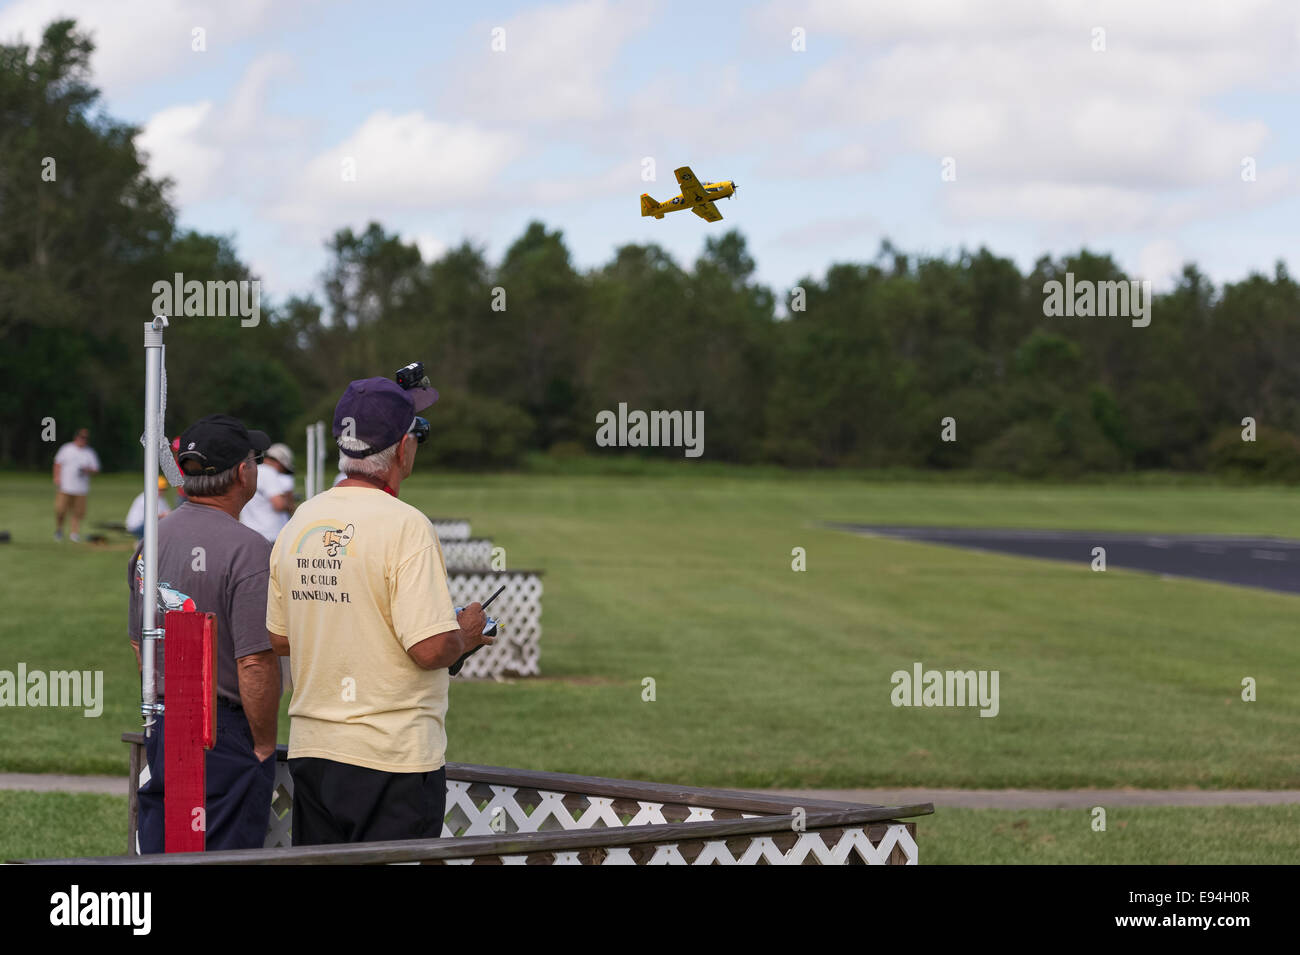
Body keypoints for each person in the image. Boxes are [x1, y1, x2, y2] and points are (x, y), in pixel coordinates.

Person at [266, 377, 491, 846]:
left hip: (314, 750)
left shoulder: (301, 519)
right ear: (404, 447)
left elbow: (281, 638)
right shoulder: (407, 526)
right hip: (391, 758)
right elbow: (430, 648)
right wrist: (466, 634)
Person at [127, 414, 281, 853]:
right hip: (224, 729)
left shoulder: (152, 540)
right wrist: (264, 743)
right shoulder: (250, 549)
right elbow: (254, 661)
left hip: (166, 717)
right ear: (242, 473)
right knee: (222, 854)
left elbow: (142, 643)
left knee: (169, 849)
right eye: (255, 459)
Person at [240, 442, 296, 543]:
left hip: (250, 532)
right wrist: (290, 504)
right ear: (279, 462)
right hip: (271, 536)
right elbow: (278, 504)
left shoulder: (249, 471)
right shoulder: (269, 472)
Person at [53, 427, 101, 542]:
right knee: (60, 510)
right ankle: (59, 530)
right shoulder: (66, 448)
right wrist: (57, 477)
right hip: (65, 487)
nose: (84, 440)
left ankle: (74, 533)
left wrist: (87, 470)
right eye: (82, 437)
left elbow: (96, 469)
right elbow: (57, 463)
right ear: (76, 437)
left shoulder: (90, 452)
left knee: (77, 513)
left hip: (81, 488)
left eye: (86, 438)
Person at [125, 476, 173, 540]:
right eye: (160, 489)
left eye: (164, 489)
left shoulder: (161, 499)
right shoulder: (146, 497)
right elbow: (153, 516)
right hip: (137, 526)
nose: (162, 491)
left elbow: (168, 512)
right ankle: (143, 543)